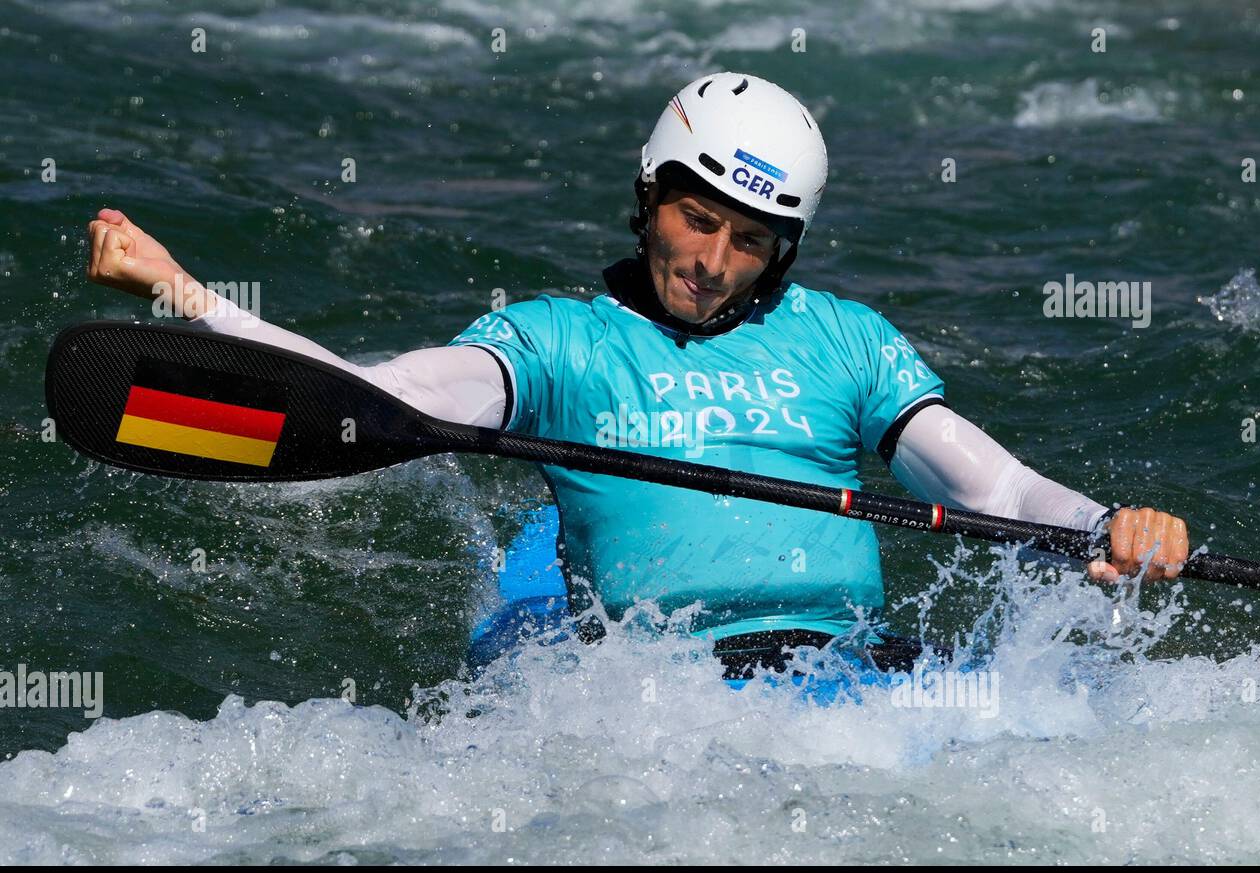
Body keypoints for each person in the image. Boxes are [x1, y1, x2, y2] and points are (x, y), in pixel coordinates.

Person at [85, 71, 1188, 674]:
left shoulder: (845, 336)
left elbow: (990, 489)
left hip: (869, 673)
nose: (711, 264)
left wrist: (1111, 525)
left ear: (785, 249)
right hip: (665, 702)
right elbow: (384, 404)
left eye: (749, 241)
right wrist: (190, 296)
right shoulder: (557, 339)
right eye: (695, 219)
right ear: (647, 196)